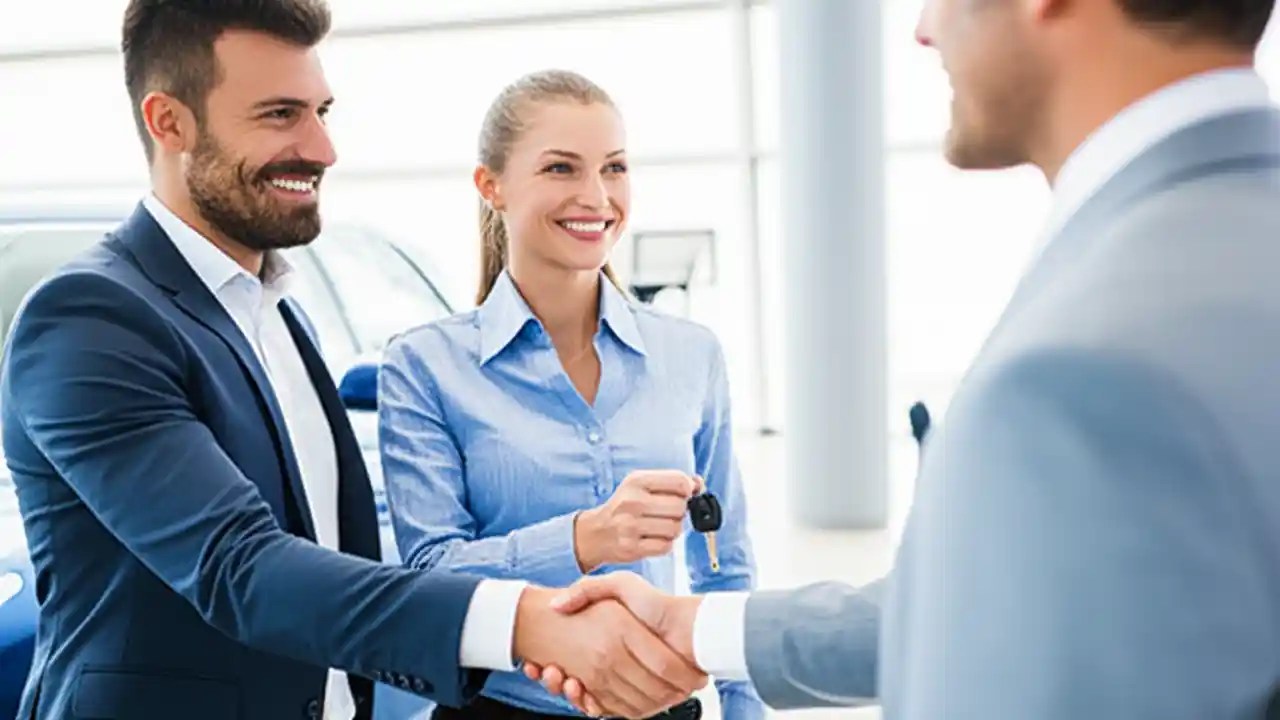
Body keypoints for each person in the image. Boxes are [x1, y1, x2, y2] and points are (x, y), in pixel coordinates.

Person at [528, 0, 1280, 717]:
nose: (924, 29)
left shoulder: (1087, 363)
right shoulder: (1222, 239)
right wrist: (698, 630)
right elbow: (1010, 599)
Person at [0, 3, 706, 719]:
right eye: (280, 115)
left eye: (322, 112)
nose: (322, 148)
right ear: (169, 122)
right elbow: (238, 567)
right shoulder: (89, 317)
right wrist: (529, 621)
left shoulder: (277, 312)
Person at [377, 69, 765, 720]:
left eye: (614, 168)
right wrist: (585, 537)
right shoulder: (425, 365)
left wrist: (743, 706)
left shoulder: (691, 355)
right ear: (490, 185)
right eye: (561, 168)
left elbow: (723, 563)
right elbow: (429, 580)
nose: (596, 196)